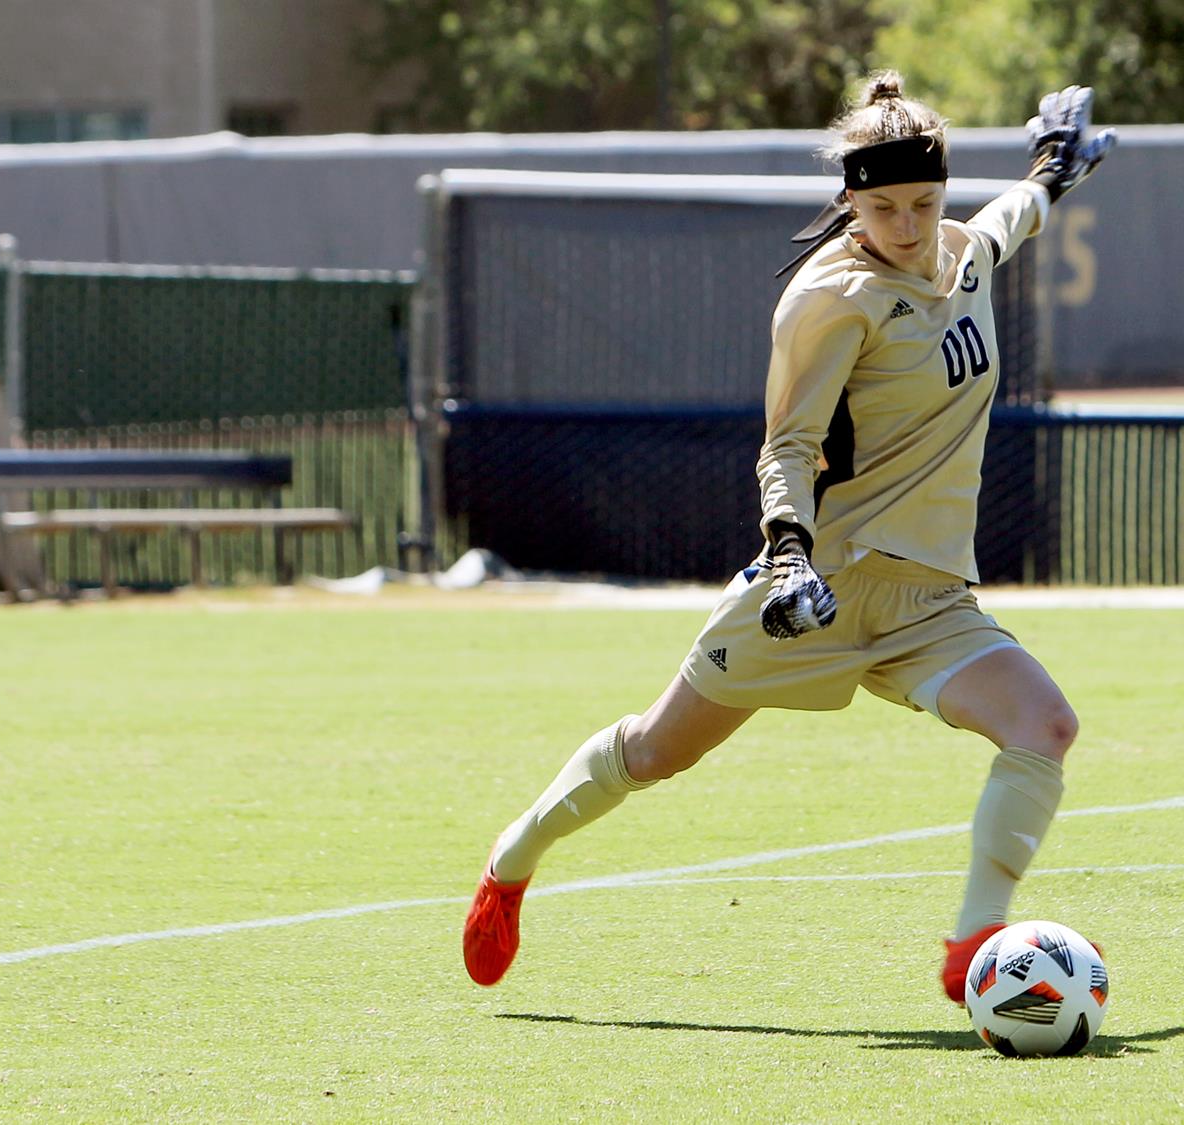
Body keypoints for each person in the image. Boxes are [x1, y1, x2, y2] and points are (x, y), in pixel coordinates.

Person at [462, 72, 1116, 1003]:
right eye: (882, 205)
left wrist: (1052, 168)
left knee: (1046, 726)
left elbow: (1012, 217)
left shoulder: (961, 250)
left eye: (924, 203)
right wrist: (788, 557)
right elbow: (789, 446)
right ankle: (513, 859)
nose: (906, 224)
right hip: (818, 587)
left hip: (929, 598)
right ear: (851, 199)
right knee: (655, 751)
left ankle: (974, 948)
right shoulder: (831, 296)